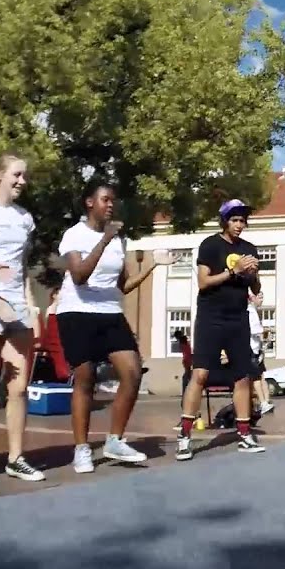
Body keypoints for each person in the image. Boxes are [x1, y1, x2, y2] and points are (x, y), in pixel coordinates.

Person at [57, 183, 172, 473]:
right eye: (105, 200)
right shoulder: (75, 235)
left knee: (132, 372)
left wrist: (153, 266)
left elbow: (123, 286)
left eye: (113, 200)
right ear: (89, 203)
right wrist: (105, 240)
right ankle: (82, 449)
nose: (110, 205)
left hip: (109, 313)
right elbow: (80, 276)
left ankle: (114, 440)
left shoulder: (119, 242)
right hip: (77, 312)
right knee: (86, 378)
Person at [176, 199, 266, 460]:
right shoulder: (210, 245)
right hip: (211, 318)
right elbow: (203, 283)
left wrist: (253, 274)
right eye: (235, 220)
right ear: (225, 221)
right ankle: (184, 435)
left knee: (243, 377)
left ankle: (244, 433)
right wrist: (232, 271)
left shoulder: (249, 248)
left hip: (238, 318)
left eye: (242, 220)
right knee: (200, 374)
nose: (239, 225)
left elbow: (256, 290)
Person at [0, 151, 45, 481]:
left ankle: (16, 458)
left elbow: (22, 269)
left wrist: (30, 305)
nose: (22, 181)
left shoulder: (24, 218)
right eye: (17, 175)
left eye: (25, 176)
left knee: (19, 387)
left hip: (16, 308)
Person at [247, 291, 274, 416]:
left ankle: (266, 401)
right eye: (260, 297)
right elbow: (253, 330)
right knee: (255, 377)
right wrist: (263, 332)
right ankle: (263, 403)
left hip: (257, 350)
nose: (262, 300)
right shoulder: (250, 312)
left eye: (263, 297)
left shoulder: (254, 311)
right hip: (251, 349)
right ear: (252, 298)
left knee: (261, 376)